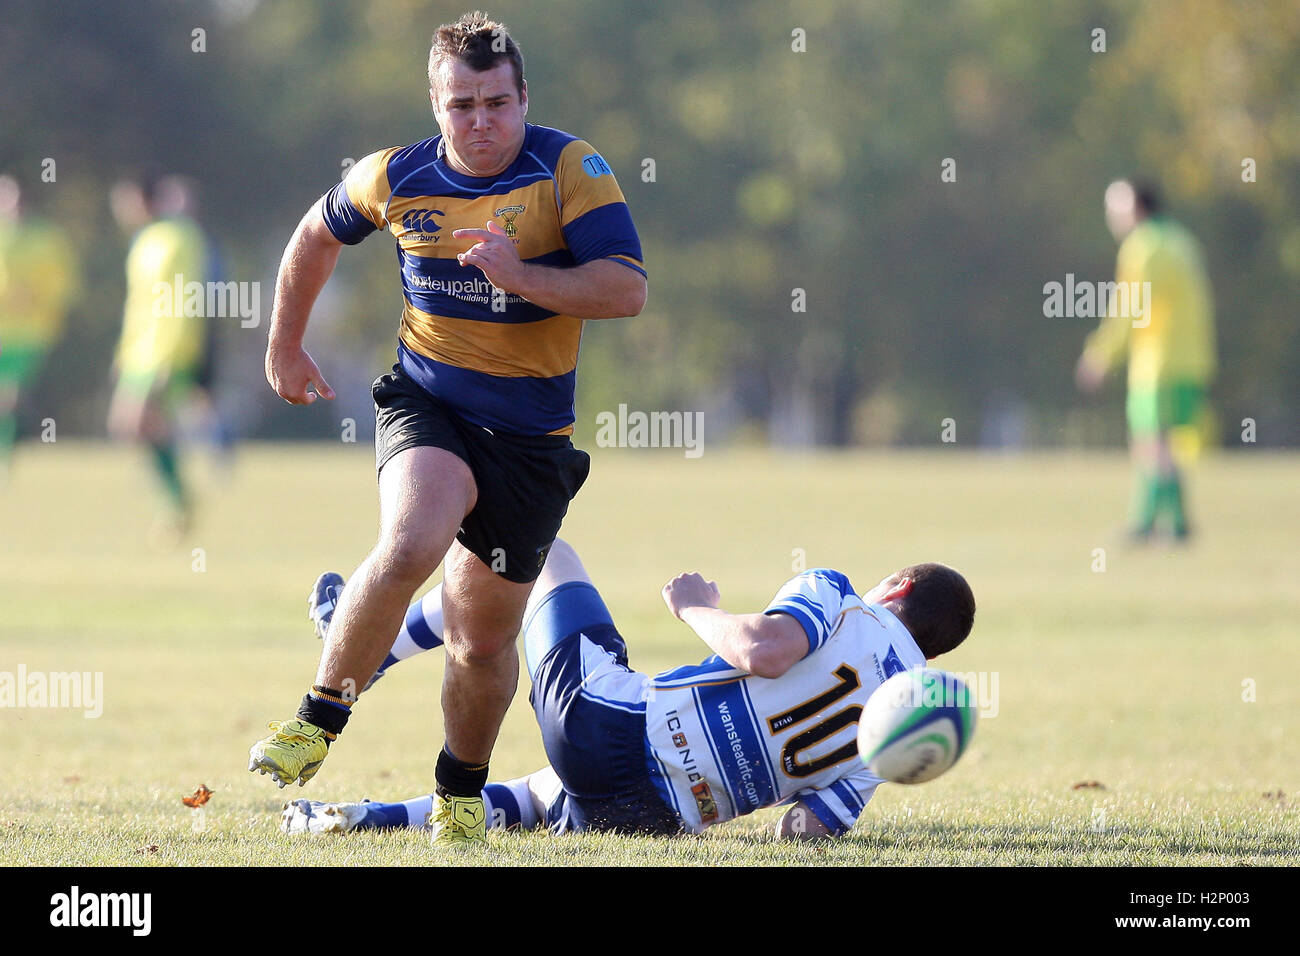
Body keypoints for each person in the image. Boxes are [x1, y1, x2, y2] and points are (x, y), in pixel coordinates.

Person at [248, 11, 647, 847]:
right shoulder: (395, 176)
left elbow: (624, 289)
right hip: (429, 400)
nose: (481, 122)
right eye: (461, 105)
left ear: (524, 97)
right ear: (435, 105)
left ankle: (459, 791)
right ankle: (318, 718)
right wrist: (284, 345)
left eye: (497, 103)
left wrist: (523, 276)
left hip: (532, 442)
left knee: (479, 642)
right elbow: (316, 233)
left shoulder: (570, 168)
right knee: (411, 541)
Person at [280, 538, 976, 841]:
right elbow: (806, 830)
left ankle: (367, 653)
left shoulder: (844, 598)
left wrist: (695, 607)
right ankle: (367, 820)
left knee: (532, 546)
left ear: (899, 588)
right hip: (658, 816)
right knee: (535, 799)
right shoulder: (894, 732)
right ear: (933, 650)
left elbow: (766, 651)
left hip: (611, 730)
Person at [1075, 178, 1216, 541]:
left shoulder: (1144, 247)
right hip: (1189, 356)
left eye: (1114, 207)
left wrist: (1100, 354)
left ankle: (1167, 523)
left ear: (1135, 207)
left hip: (1160, 361)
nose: (1110, 216)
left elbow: (1128, 309)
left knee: (1154, 442)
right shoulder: (1181, 240)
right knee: (1160, 441)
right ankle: (1155, 520)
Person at [106, 172, 211, 540]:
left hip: (169, 350)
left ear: (145, 200)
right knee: (129, 425)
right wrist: (123, 351)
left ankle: (177, 506)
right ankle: (176, 499)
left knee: (140, 421)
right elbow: (139, 303)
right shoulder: (142, 241)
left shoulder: (180, 237)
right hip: (139, 351)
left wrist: (176, 354)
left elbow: (186, 297)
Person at [0, 175, 79, 480]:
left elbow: (63, 283)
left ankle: (6, 457)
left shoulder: (46, 238)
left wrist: (35, 295)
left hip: (31, 332)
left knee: (9, 395)